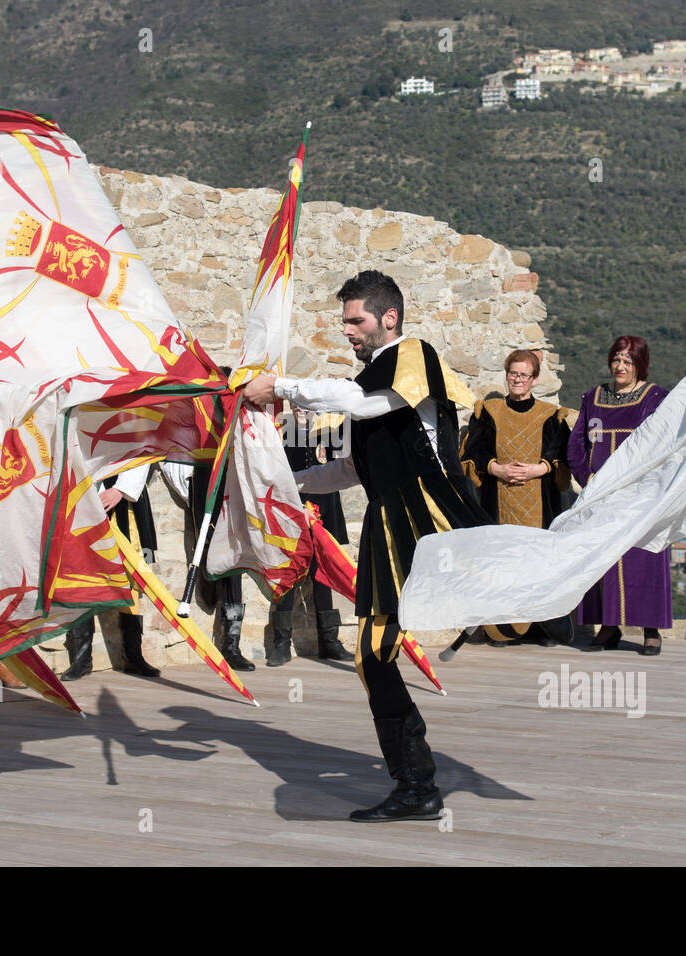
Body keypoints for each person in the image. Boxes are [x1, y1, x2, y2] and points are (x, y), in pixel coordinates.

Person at [242, 269, 489, 822]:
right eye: (346, 321)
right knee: (373, 653)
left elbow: (361, 404)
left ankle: (417, 785)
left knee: (495, 597)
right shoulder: (375, 379)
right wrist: (284, 485)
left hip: (427, 515)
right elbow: (354, 468)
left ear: (389, 318)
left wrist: (279, 387)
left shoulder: (413, 357)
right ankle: (416, 785)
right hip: (388, 523)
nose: (348, 330)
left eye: (356, 320)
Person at [460, 348, 573, 647]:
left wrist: (538, 469)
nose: (517, 379)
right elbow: (473, 451)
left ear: (534, 379)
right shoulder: (489, 412)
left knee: (536, 563)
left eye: (524, 375)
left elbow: (560, 454)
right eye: (513, 373)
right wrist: (496, 468)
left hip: (539, 500)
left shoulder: (550, 415)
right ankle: (502, 629)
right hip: (498, 499)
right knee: (502, 562)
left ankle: (540, 628)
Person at [567, 334, 671, 655]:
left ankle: (650, 631)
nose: (620, 366)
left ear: (641, 364)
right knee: (605, 559)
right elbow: (576, 445)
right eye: (616, 359)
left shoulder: (656, 398)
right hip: (601, 495)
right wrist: (589, 478)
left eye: (628, 360)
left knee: (644, 558)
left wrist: (642, 481)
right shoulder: (593, 397)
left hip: (641, 494)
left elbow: (663, 445)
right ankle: (608, 628)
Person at [268, 407, 355, 666]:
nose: (300, 409)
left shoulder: (329, 430)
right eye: (296, 404)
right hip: (292, 511)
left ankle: (329, 641)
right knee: (288, 572)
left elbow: (342, 461)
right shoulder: (281, 433)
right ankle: (281, 643)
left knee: (323, 574)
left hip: (324, 508)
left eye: (305, 404)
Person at [60, 463, 161, 680]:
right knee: (80, 573)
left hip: (123, 501)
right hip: (79, 495)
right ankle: (81, 658)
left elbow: (140, 444)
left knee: (131, 576)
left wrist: (121, 490)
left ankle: (133, 656)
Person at [161, 457, 255, 672]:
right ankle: (209, 585)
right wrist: (190, 485)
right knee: (209, 550)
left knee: (234, 559)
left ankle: (231, 645)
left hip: (230, 476)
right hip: (204, 476)